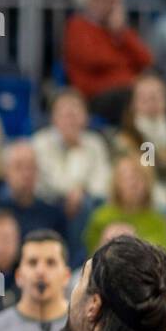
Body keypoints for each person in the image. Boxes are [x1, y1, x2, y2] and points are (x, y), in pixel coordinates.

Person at [29, 88, 110, 262]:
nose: (71, 117)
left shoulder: (95, 143)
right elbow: (53, 182)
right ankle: (75, 261)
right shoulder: (40, 142)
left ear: (86, 117)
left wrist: (80, 191)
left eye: (76, 111)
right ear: (53, 117)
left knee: (91, 205)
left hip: (86, 204)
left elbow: (102, 183)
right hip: (49, 203)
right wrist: (75, 189)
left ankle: (84, 261)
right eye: (65, 112)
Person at [61, 0, 152, 116]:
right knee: (138, 96)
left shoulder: (121, 30)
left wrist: (121, 33)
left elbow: (146, 60)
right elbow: (93, 60)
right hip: (95, 95)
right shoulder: (77, 26)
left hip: (128, 89)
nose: (105, 4)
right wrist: (121, 56)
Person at [111, 73, 166, 213]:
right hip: (142, 209)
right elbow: (140, 180)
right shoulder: (126, 140)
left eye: (156, 96)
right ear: (134, 104)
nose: (151, 102)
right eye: (145, 97)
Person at [0, 140, 69, 244]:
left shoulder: (52, 214)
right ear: (5, 171)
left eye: (31, 167)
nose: (26, 174)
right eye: (19, 167)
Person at [84, 155, 166, 256]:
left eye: (138, 177)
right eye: (126, 178)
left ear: (147, 182)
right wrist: (105, 241)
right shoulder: (100, 217)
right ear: (116, 183)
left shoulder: (157, 220)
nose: (132, 183)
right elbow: (89, 259)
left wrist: (135, 242)